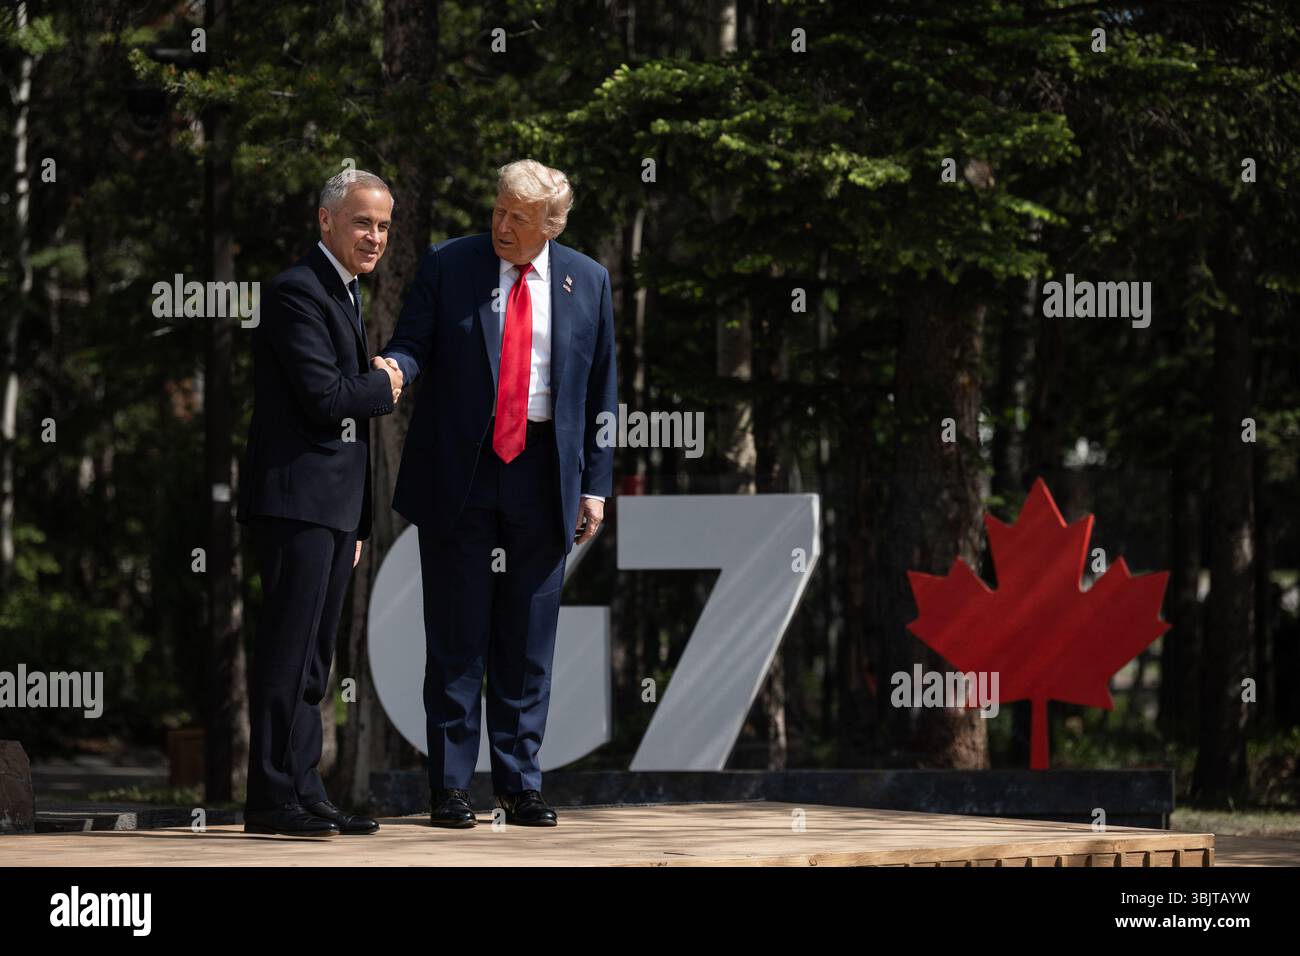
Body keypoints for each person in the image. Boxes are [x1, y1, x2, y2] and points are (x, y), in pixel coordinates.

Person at [377, 159, 616, 828]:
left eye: (518, 217)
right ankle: (450, 787)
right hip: (464, 469)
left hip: (545, 474)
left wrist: (595, 487)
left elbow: (603, 392)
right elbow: (412, 342)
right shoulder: (451, 266)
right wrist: (395, 368)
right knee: (457, 635)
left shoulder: (589, 281)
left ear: (551, 225)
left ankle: (521, 784)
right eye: (498, 210)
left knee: (528, 638)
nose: (501, 225)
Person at [236, 169, 402, 836]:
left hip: (332, 511)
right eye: (363, 222)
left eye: (385, 226)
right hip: (294, 504)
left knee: (313, 661)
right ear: (326, 221)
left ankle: (306, 792)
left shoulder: (346, 294)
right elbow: (327, 398)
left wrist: (357, 520)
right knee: (286, 654)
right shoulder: (294, 292)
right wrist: (385, 382)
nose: (375, 236)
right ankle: (271, 801)